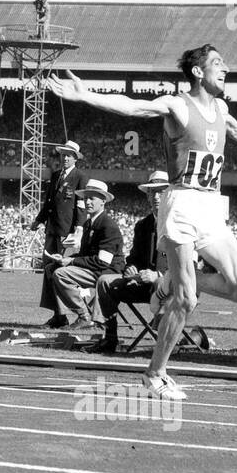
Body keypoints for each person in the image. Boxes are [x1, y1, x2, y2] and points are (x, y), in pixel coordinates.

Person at [50, 44, 237, 399]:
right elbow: (132, 105)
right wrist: (86, 96)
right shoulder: (177, 104)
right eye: (218, 64)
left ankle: (169, 282)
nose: (226, 69)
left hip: (212, 207)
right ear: (197, 71)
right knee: (187, 299)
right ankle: (155, 373)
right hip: (183, 204)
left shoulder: (221, 108)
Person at [88, 170, 169, 354]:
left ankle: (165, 342)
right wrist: (130, 267)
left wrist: (157, 275)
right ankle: (109, 337)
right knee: (105, 281)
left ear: (169, 194)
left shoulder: (180, 223)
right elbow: (134, 258)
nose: (156, 197)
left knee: (160, 282)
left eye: (161, 192)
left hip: (169, 286)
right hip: (142, 284)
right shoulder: (142, 225)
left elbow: (186, 265)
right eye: (152, 193)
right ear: (147, 196)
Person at [39, 179, 123, 331]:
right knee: (51, 268)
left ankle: (85, 316)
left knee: (61, 274)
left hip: (108, 272)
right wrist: (64, 259)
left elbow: (103, 261)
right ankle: (60, 316)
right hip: (95, 269)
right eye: (86, 198)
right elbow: (86, 254)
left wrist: (71, 261)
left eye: (92, 198)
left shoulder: (108, 225)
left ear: (103, 201)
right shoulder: (89, 223)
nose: (88, 202)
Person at [27, 139, 87, 257]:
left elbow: (81, 205)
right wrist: (39, 219)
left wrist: (79, 227)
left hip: (67, 229)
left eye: (68, 156)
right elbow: (49, 202)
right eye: (63, 155)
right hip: (51, 228)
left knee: (62, 263)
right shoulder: (55, 175)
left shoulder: (80, 176)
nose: (65, 159)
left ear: (75, 158)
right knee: (48, 262)